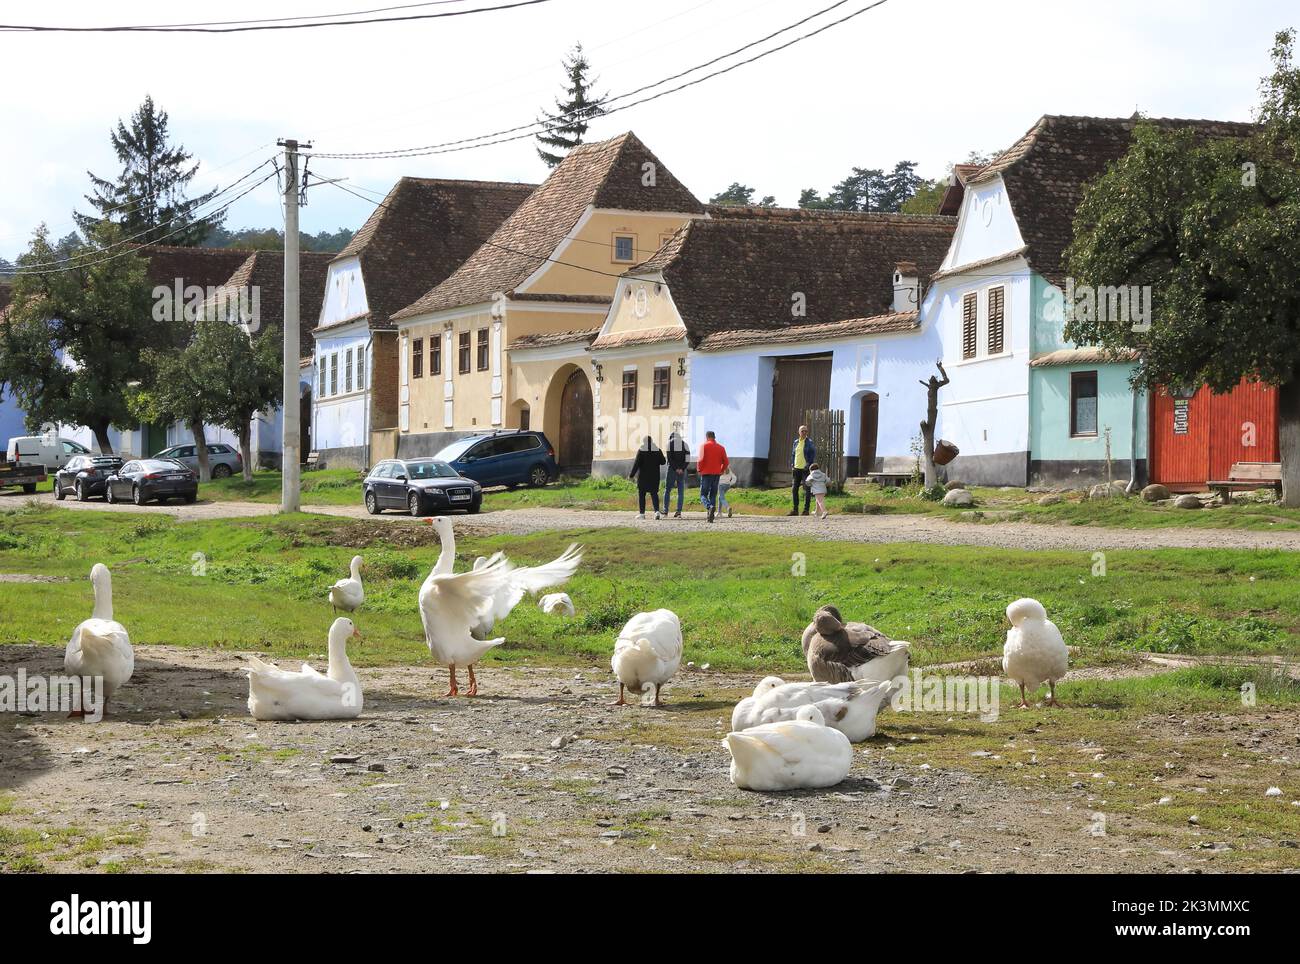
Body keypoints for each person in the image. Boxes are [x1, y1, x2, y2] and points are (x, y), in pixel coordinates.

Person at [696, 430, 729, 523]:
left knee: (703, 494)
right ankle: (711, 517)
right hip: (716, 474)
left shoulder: (703, 446)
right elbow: (726, 462)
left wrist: (699, 469)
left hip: (706, 474)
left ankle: (709, 507)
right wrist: (721, 470)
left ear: (707, 437)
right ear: (714, 437)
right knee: (713, 494)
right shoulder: (721, 448)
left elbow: (700, 460)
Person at [629, 436, 665, 520]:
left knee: (642, 494)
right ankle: (656, 512)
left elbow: (636, 464)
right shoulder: (657, 450)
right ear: (652, 441)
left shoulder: (641, 451)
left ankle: (642, 514)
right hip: (654, 476)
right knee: (654, 494)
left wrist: (631, 475)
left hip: (643, 477)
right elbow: (663, 461)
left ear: (644, 442)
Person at [789, 424, 816, 516]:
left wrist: (808, 465)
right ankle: (795, 510)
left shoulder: (809, 442)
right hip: (796, 469)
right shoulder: (796, 442)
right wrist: (792, 464)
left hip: (805, 470)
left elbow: (812, 454)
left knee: (807, 489)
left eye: (806, 431)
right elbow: (793, 454)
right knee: (794, 489)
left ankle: (806, 510)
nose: (804, 432)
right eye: (802, 431)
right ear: (799, 432)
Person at [663, 431, 690, 519]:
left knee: (667, 490)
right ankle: (678, 512)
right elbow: (687, 459)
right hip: (682, 471)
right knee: (680, 491)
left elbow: (669, 458)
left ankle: (665, 511)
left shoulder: (669, 444)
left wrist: (675, 468)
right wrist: (682, 468)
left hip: (672, 469)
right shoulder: (685, 444)